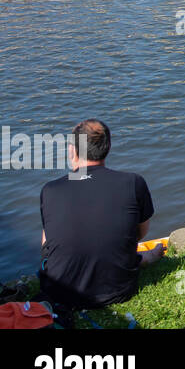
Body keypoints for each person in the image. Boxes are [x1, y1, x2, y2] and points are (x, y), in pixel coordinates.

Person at [39, 119, 162, 309]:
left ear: (73, 151)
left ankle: (143, 258)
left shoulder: (51, 189)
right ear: (108, 148)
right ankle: (144, 258)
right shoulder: (133, 182)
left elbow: (47, 244)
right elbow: (140, 233)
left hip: (60, 293)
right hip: (118, 290)